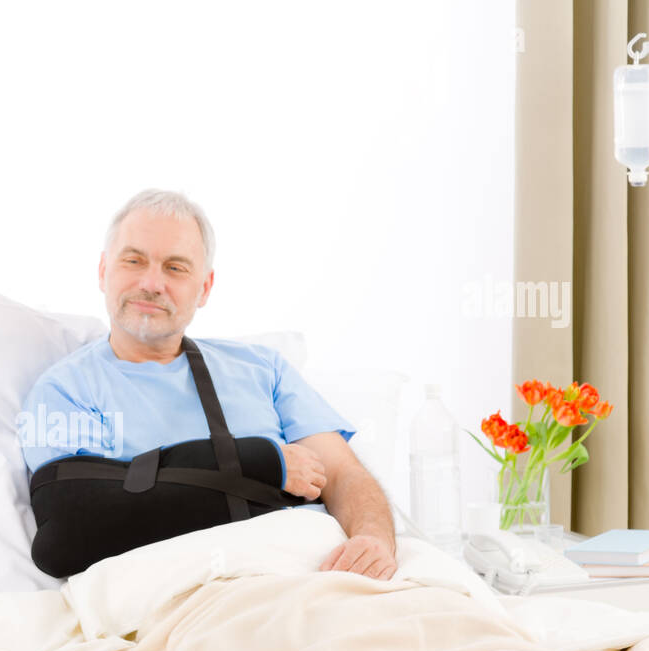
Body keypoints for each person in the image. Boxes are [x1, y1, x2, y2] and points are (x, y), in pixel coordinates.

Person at [20, 189, 396, 580]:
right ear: (102, 271)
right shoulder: (67, 391)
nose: (151, 283)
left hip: (319, 571)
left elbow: (342, 474)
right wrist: (259, 464)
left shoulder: (263, 369)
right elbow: (74, 529)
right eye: (133, 261)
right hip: (197, 590)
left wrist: (373, 540)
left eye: (176, 268)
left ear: (205, 287)